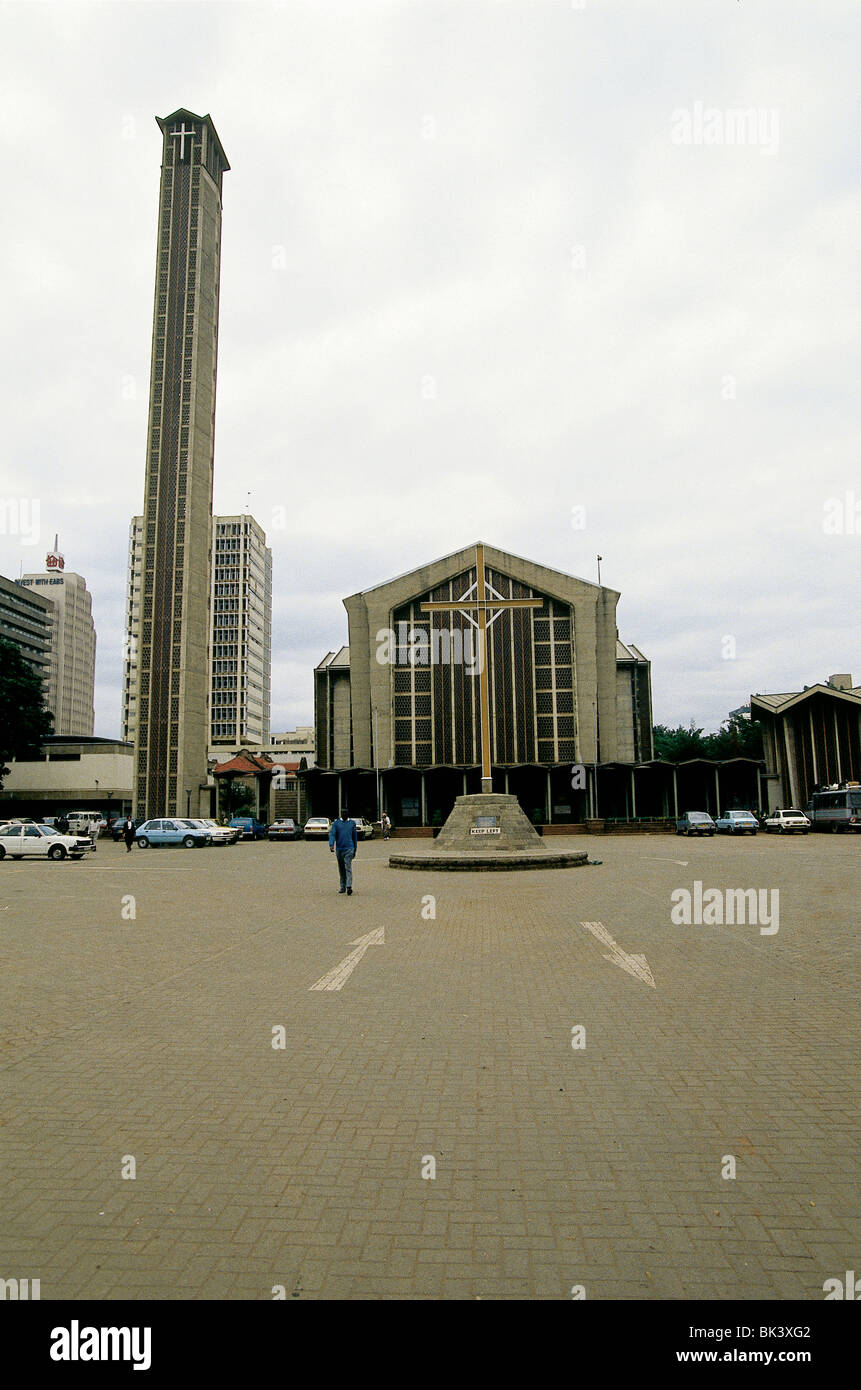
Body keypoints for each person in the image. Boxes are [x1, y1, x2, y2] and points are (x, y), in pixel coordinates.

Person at [328, 809, 358, 895]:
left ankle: (349, 886)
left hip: (349, 848)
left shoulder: (352, 823)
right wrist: (331, 844)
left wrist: (355, 849)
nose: (344, 814)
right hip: (339, 849)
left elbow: (354, 837)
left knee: (347, 867)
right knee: (341, 868)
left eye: (346, 813)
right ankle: (343, 886)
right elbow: (332, 834)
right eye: (343, 813)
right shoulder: (336, 824)